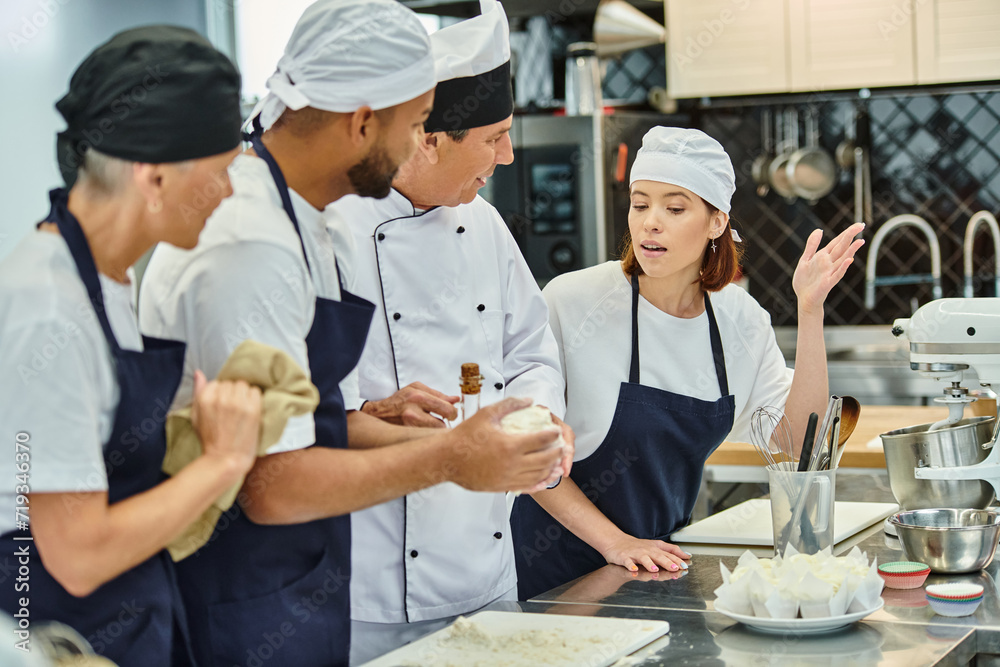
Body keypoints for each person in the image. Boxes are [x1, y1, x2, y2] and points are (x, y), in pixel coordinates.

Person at [137, 2, 564, 665]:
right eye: (417, 123)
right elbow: (270, 483)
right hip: (238, 594)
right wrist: (453, 457)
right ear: (363, 121)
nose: (415, 146)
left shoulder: (298, 219)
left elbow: (293, 417)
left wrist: (360, 414)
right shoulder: (251, 241)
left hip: (293, 583)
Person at [511, 127, 865, 600]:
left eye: (674, 208)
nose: (650, 223)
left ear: (717, 221)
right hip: (555, 569)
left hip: (655, 565)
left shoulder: (738, 319)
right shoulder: (573, 302)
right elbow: (527, 456)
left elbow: (796, 443)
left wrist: (810, 311)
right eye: (640, 204)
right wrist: (617, 543)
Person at [0, 26, 262, 667]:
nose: (228, 194)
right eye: (220, 173)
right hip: (59, 630)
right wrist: (222, 463)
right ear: (154, 178)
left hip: (128, 622)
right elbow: (80, 556)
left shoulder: (105, 279)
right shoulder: (47, 309)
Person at [328, 1, 571, 662]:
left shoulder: (485, 224)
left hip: (489, 576)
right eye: (494, 136)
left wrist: (541, 418)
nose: (510, 153)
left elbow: (530, 347)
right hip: (372, 589)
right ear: (428, 140)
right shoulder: (333, 229)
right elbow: (310, 419)